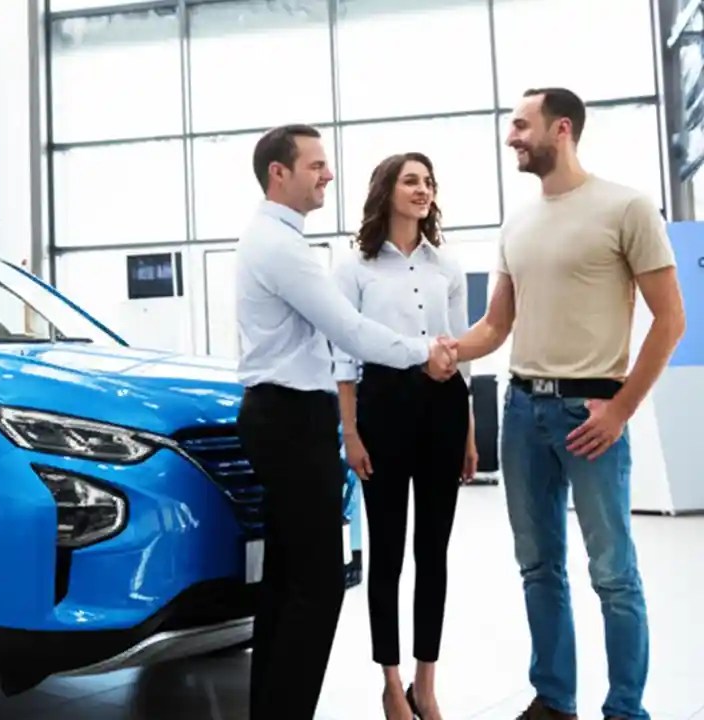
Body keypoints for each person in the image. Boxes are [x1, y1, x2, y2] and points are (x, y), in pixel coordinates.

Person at [454, 88, 686, 720]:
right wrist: (443, 348)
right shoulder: (516, 223)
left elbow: (671, 320)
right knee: (538, 568)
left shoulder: (626, 207)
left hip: (592, 415)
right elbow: (495, 327)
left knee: (612, 572)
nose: (511, 137)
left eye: (522, 126)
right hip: (522, 410)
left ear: (562, 129)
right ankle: (554, 699)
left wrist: (621, 411)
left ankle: (626, 710)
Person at [234, 124, 460, 720]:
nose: (327, 175)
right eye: (315, 165)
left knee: (286, 580)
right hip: (292, 418)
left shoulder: (277, 240)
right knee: (317, 585)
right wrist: (423, 352)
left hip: (290, 415)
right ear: (278, 173)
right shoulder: (283, 248)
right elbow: (351, 334)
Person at [331, 152, 476, 720]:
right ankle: (390, 683)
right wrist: (350, 432)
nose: (423, 189)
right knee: (387, 553)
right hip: (383, 408)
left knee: (433, 552)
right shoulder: (356, 267)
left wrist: (467, 435)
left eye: (428, 181)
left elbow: (460, 355)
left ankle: (426, 681)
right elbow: (343, 355)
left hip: (443, 409)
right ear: (387, 190)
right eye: (411, 180)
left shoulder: (448, 266)